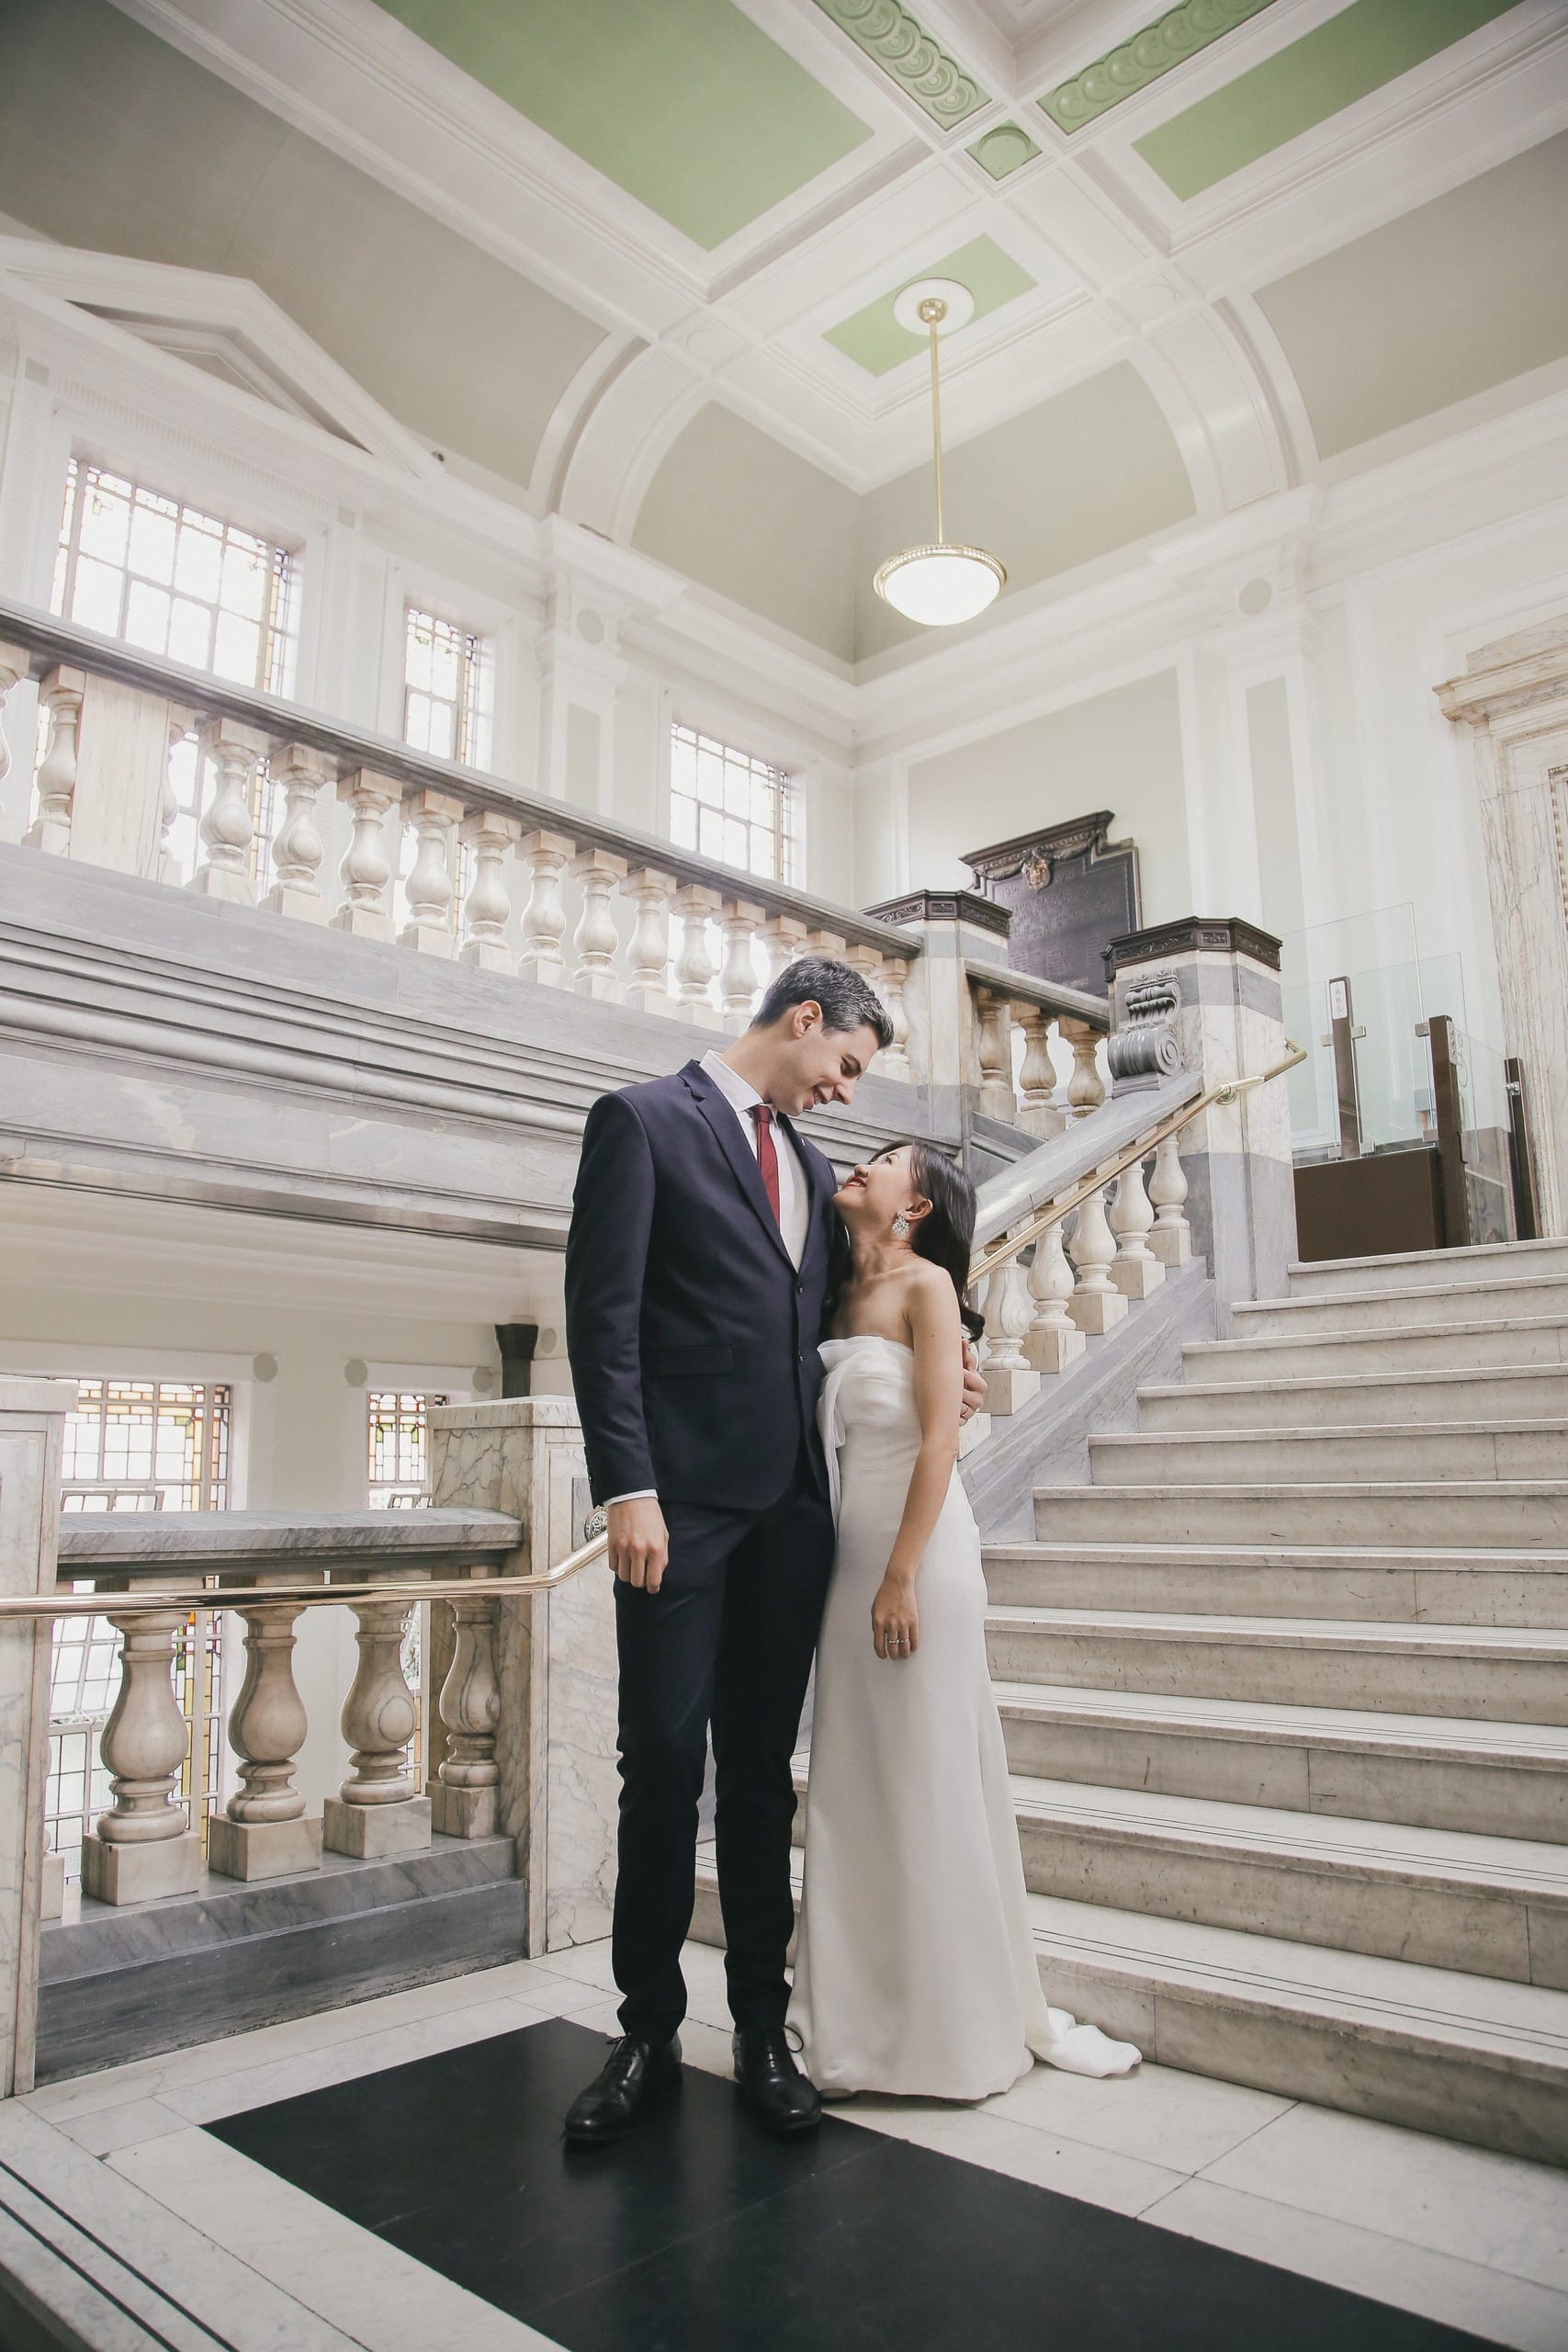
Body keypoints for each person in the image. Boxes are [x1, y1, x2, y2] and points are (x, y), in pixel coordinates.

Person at [561, 958, 986, 2145]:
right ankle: (643, 2030)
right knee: (659, 1759)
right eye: (844, 1064)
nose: (845, 1095)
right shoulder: (641, 1122)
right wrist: (627, 1487)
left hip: (792, 1520)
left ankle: (760, 2028)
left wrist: (949, 1367)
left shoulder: (808, 1169)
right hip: (678, 1513)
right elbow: (602, 1321)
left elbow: (845, 1319)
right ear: (804, 1022)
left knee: (757, 1777)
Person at [788, 1141, 1142, 2098]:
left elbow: (942, 1436)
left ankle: (949, 2028)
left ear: (916, 1209)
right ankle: (857, 2013)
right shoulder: (828, 1284)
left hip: (919, 1558)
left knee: (927, 1775)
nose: (861, 1163)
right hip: (843, 1557)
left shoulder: (927, 1290)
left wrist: (900, 1575)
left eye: (887, 1162)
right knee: (854, 1784)